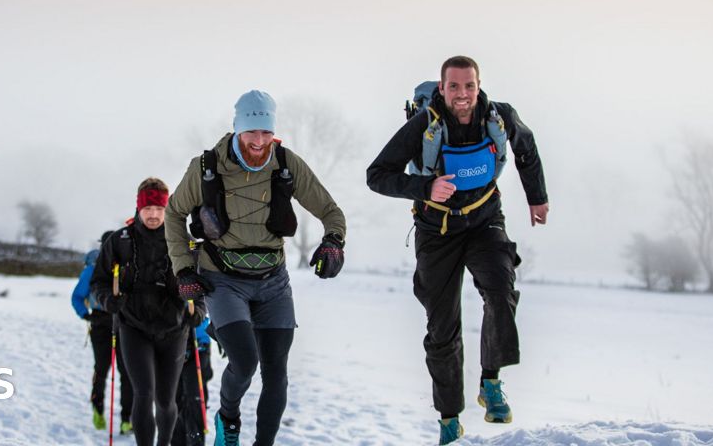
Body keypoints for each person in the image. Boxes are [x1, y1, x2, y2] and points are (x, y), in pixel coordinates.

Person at [367, 55, 549, 444]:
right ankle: (450, 420)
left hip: (485, 221)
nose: (462, 94)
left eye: (469, 86)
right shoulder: (424, 124)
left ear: (478, 86)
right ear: (442, 88)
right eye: (454, 87)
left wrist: (537, 197)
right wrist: (424, 188)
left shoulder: (500, 117)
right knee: (442, 327)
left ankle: (491, 382)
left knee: (500, 291)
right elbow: (377, 175)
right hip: (437, 232)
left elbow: (526, 148)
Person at [165, 90, 347, 446]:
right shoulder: (206, 166)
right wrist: (184, 269)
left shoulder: (286, 163)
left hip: (273, 282)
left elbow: (330, 211)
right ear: (237, 128)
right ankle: (228, 418)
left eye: (266, 132)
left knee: (276, 374)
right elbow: (174, 214)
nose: (260, 141)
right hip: (223, 279)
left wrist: (333, 241)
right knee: (246, 363)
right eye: (252, 132)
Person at [91, 178, 205, 446]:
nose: (153, 215)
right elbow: (98, 282)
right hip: (134, 327)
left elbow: (202, 283)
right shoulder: (120, 241)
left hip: (174, 329)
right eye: (147, 209)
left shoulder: (184, 242)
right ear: (138, 208)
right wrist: (108, 300)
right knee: (143, 393)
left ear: (167, 209)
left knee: (165, 400)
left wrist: (199, 309)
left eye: (159, 209)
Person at [71, 231, 134, 434]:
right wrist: (86, 315)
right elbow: (77, 297)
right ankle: (100, 409)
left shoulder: (127, 265)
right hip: (101, 323)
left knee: (125, 371)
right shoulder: (94, 268)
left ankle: (126, 418)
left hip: (123, 323)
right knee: (104, 368)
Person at [171, 316, 213, 446]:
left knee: (194, 399)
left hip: (197, 345)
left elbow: (202, 308)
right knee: (174, 399)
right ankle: (177, 442)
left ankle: (196, 441)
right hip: (172, 344)